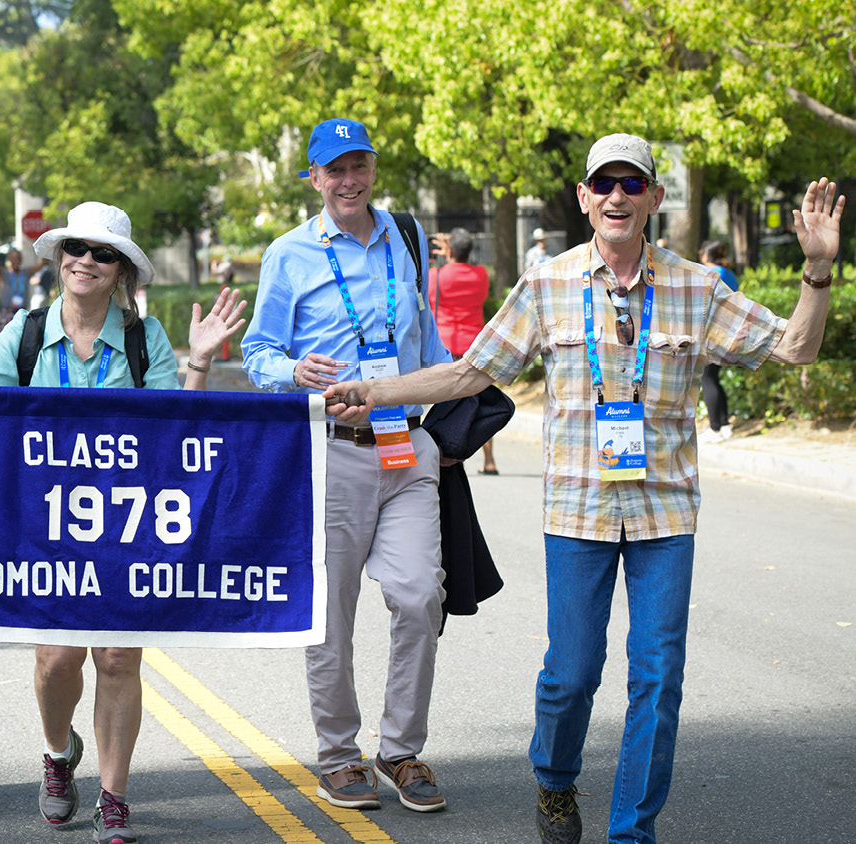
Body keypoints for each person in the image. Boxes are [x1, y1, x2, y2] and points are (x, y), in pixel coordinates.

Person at [323, 133, 843, 844]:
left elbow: (795, 348)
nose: (618, 197)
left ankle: (632, 831)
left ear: (655, 199)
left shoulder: (697, 287)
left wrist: (817, 270)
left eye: (634, 185)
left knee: (658, 678)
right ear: (583, 198)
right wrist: (375, 390)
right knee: (572, 674)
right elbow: (469, 372)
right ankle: (556, 779)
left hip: (665, 509)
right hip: (577, 507)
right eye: (605, 185)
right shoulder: (547, 283)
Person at [0, 200, 246, 844]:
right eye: (78, 249)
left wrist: (202, 361)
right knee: (55, 660)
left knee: (118, 658)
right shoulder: (23, 332)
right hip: (45, 529)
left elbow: (178, 434)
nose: (87, 261)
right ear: (59, 259)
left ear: (122, 272)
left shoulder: (143, 339)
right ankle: (55, 756)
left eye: (104, 254)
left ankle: (113, 795)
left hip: (124, 527)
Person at [241, 117, 454, 816]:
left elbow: (421, 336)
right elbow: (257, 354)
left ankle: (400, 749)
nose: (348, 181)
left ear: (372, 168)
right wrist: (290, 369)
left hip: (409, 447)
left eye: (358, 165)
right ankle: (338, 755)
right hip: (331, 455)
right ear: (314, 179)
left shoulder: (409, 238)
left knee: (421, 595)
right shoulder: (290, 254)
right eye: (334, 170)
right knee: (332, 617)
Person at [429, 228, 498, 474]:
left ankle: (446, 456)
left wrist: (445, 258)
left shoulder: (436, 276)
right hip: (476, 346)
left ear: (449, 251)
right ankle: (489, 460)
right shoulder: (481, 275)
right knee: (479, 402)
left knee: (447, 406)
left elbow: (427, 301)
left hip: (447, 348)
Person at [697, 240, 739, 442]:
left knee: (708, 378)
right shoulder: (729, 272)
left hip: (713, 332)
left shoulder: (712, 273)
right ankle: (724, 424)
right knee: (714, 378)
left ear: (706, 255)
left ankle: (715, 428)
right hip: (728, 330)